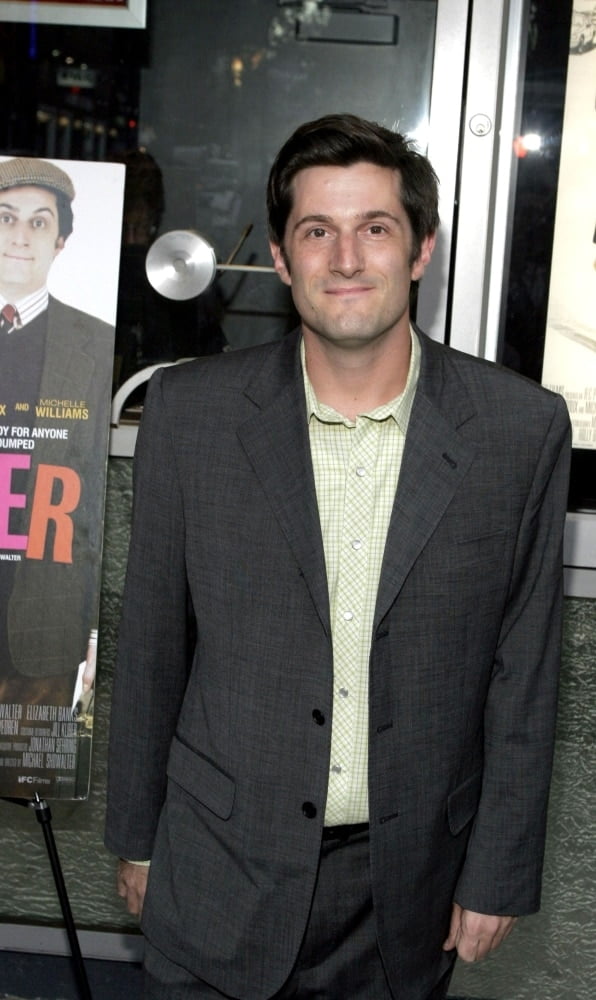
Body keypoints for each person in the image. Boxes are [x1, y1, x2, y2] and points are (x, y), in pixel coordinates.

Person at [105, 114, 571, 1000]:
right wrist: (138, 835)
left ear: (421, 249)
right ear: (281, 259)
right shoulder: (192, 416)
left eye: (376, 229)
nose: (347, 258)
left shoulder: (519, 430)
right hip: (218, 865)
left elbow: (526, 673)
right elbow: (153, 639)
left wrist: (498, 871)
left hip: (406, 889)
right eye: (318, 231)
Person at [0, 157, 112, 709]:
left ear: (61, 240)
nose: (20, 236)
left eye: (39, 222)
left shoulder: (95, 343)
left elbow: (93, 499)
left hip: (44, 636)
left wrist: (94, 639)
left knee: (31, 785)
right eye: (5, 218)